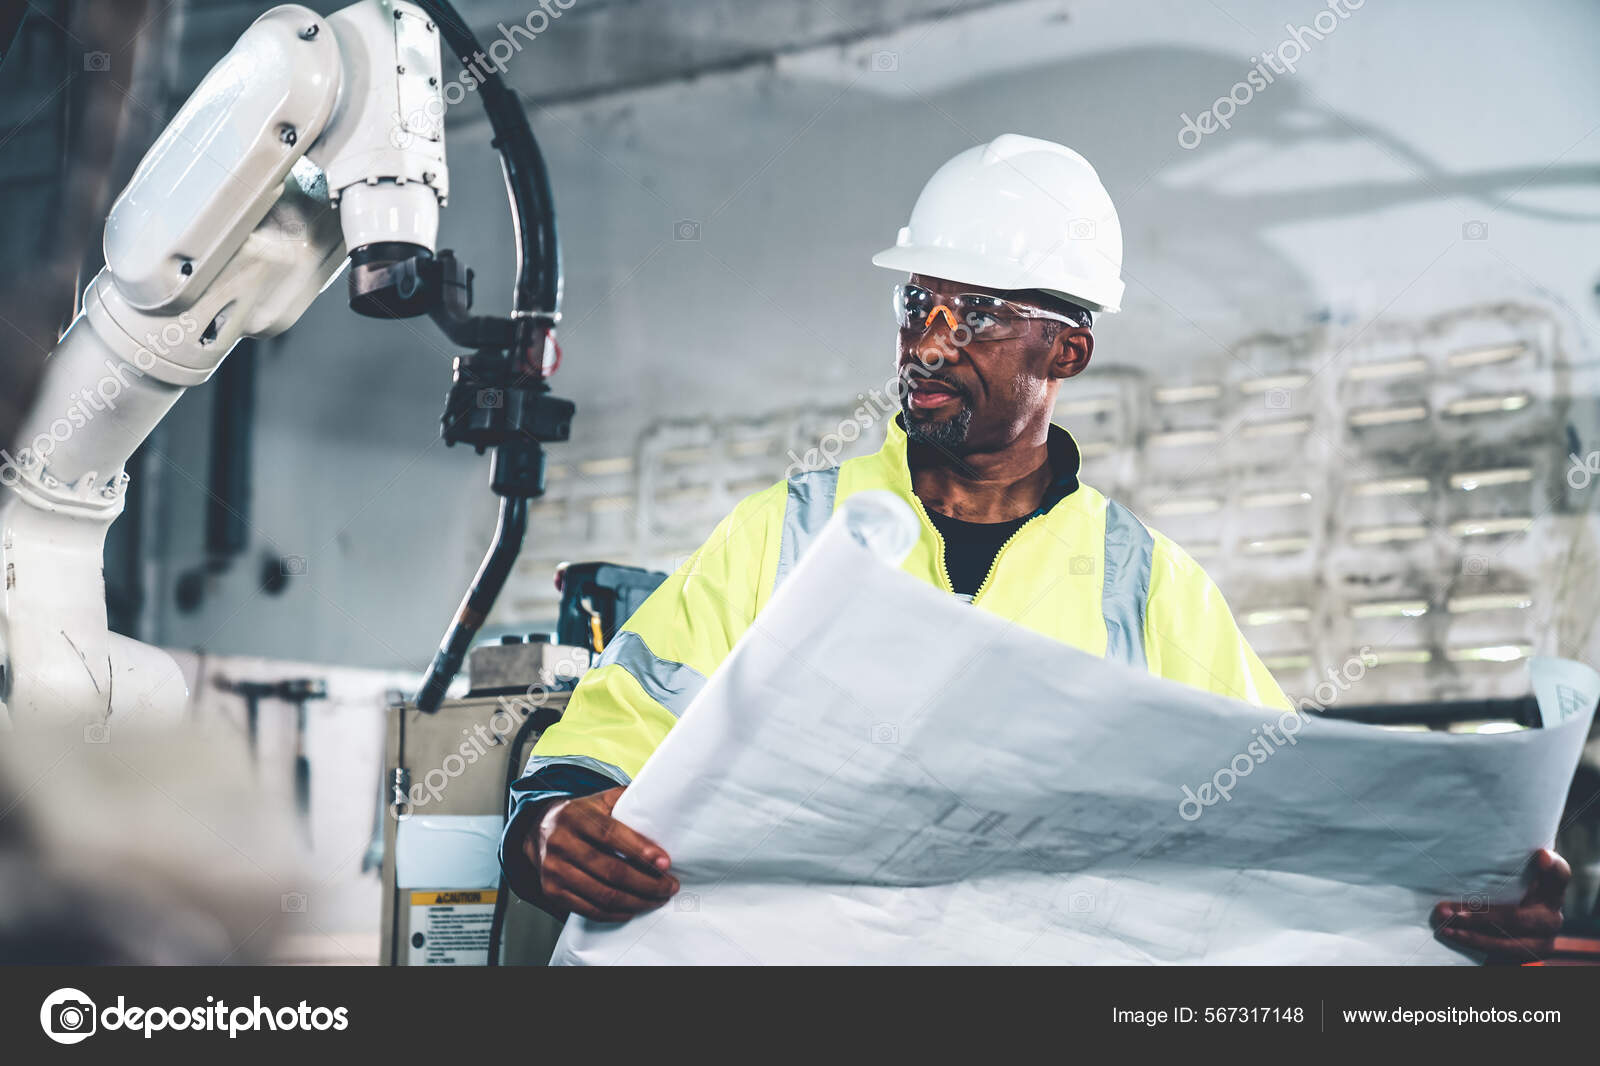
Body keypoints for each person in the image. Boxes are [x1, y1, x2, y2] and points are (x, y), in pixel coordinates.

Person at [501, 135, 1569, 960]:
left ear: (1068, 347)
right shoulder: (781, 534)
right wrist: (548, 831)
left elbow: (1287, 834)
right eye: (917, 303)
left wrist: (1453, 903)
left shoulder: (1150, 588)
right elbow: (606, 737)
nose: (924, 341)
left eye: (973, 316)